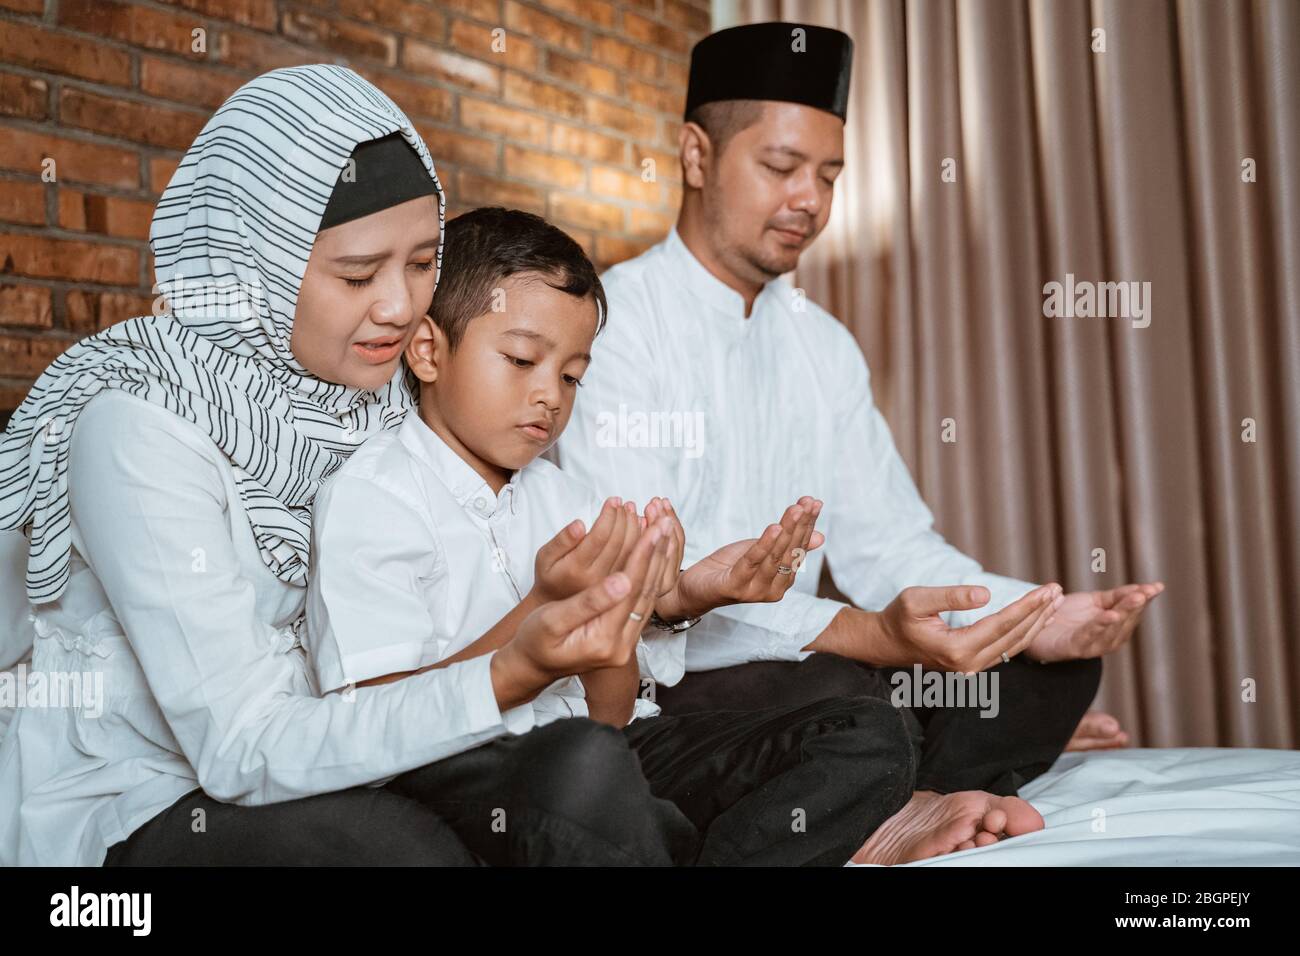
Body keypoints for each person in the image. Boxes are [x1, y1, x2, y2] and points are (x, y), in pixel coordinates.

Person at [0, 65, 712, 867]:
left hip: (345, 758)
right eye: (356, 274)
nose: (401, 307)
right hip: (148, 800)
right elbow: (241, 746)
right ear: (253, 261)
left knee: (573, 786)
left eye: (419, 264)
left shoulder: (377, 390)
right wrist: (507, 669)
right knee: (401, 851)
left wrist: (651, 596)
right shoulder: (138, 429)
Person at [551, 22, 1165, 862]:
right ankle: (899, 787)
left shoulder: (825, 345)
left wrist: (1036, 616)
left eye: (828, 176)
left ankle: (889, 790)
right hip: (699, 678)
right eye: (780, 167)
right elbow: (651, 597)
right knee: (850, 694)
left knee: (1043, 674)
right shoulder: (615, 327)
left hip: (833, 667)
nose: (809, 198)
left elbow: (892, 545)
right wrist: (869, 634)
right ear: (696, 156)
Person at [305, 205, 931, 865]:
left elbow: (611, 713)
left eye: (572, 376)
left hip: (605, 752)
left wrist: (639, 606)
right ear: (429, 350)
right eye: (522, 360)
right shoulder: (376, 494)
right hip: (472, 769)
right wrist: (542, 615)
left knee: (866, 734)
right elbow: (368, 723)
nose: (551, 395)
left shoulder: (566, 501)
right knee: (582, 765)